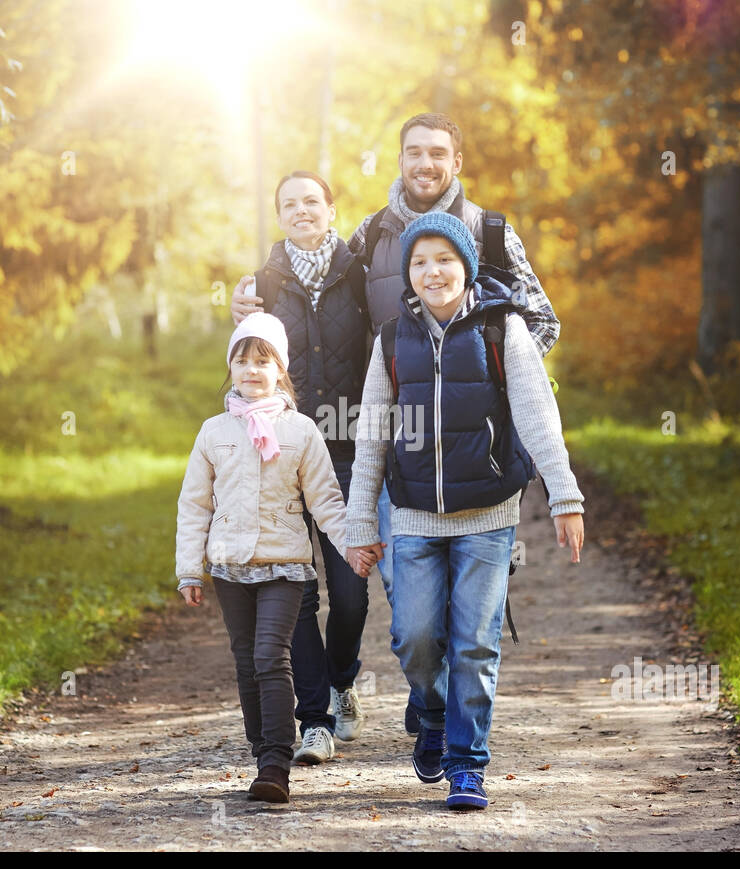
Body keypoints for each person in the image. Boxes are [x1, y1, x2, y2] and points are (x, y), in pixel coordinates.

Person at [235, 114, 561, 735]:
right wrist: (246, 306)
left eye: (438, 153)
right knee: (397, 577)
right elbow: (320, 287)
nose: (426, 164)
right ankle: (425, 688)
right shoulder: (370, 236)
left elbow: (541, 321)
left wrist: (481, 385)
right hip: (383, 440)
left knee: (459, 580)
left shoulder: (490, 232)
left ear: (456, 162)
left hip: (470, 449)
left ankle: (442, 714)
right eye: (415, 152)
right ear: (402, 160)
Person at [342, 212, 585, 811]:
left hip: (489, 513)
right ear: (408, 272)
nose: (433, 272)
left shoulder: (502, 329)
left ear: (466, 265)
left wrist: (566, 495)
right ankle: (430, 711)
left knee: (475, 643)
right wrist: (358, 523)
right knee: (415, 638)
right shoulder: (392, 338)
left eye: (444, 259)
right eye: (420, 262)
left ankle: (467, 765)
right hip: (415, 515)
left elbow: (537, 417)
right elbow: (372, 436)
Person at [175, 312, 376, 803]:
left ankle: (276, 764)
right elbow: (194, 504)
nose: (251, 370)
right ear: (231, 369)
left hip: (284, 563)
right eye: (242, 360)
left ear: (281, 370)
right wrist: (189, 569)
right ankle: (260, 748)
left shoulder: (301, 430)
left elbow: (326, 499)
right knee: (246, 660)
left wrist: (352, 542)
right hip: (230, 565)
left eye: (262, 360)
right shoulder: (214, 431)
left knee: (270, 653)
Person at [242, 171, 375, 764]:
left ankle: (344, 678)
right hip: (284, 457)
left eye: (311, 201)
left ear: (331, 208)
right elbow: (249, 365)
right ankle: (314, 717)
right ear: (279, 215)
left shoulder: (363, 273)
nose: (301, 210)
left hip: (348, 453)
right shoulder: (261, 286)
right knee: (298, 595)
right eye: (289, 203)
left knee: (350, 595)